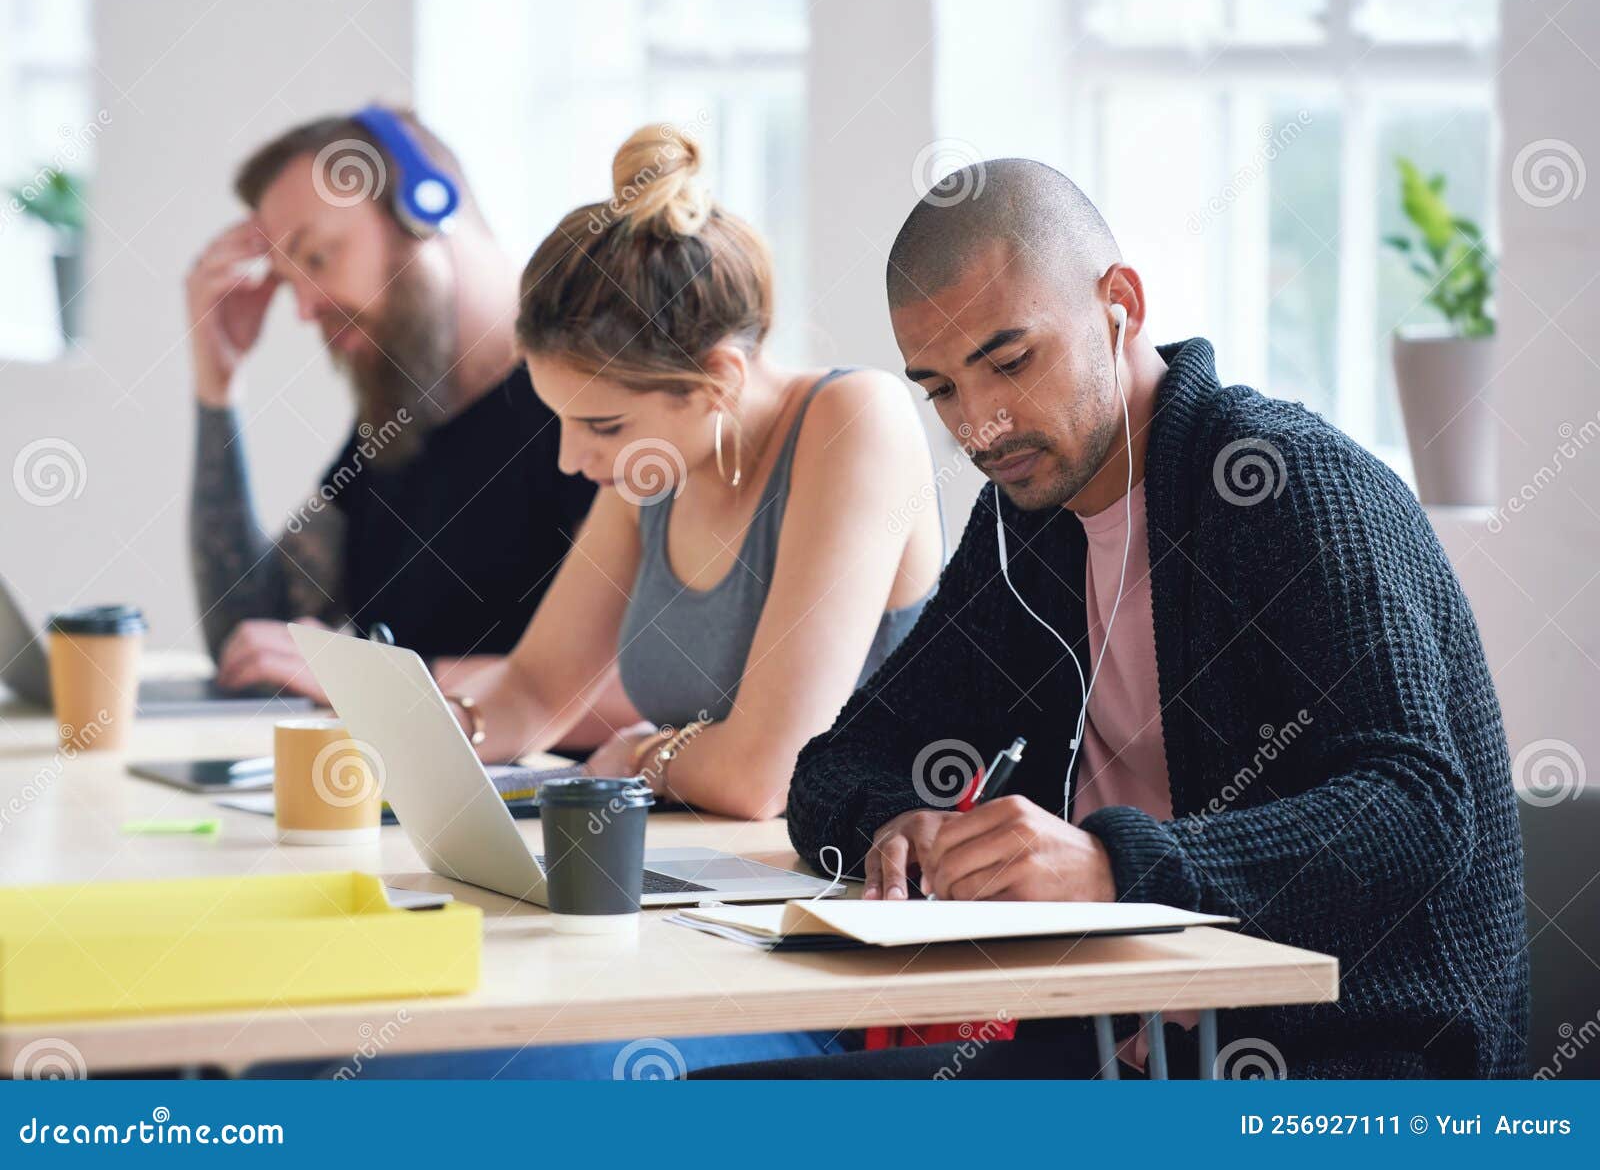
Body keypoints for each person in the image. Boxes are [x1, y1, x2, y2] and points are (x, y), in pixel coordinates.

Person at [697, 157, 1526, 1081]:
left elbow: (1414, 808)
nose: (980, 425)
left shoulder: (1286, 485)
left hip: (1354, 1063)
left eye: (1010, 361)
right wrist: (902, 821)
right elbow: (833, 765)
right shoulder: (1024, 527)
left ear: (1119, 302)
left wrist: (1114, 867)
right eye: (940, 389)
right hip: (1121, 1049)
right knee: (703, 1115)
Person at [278, 120, 943, 1080]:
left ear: (717, 379)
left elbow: (766, 771)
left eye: (599, 424)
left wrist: (647, 753)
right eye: (561, 420)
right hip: (681, 920)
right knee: (303, 1046)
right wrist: (435, 733)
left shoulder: (855, 422)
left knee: (430, 1071)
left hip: (819, 955)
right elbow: (536, 690)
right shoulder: (655, 460)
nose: (573, 458)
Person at [186, 107, 627, 740]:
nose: (306, 308)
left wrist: (392, 682)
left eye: (319, 255)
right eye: (289, 282)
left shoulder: (599, 405)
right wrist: (217, 388)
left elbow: (665, 689)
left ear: (426, 206)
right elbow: (253, 636)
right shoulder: (400, 417)